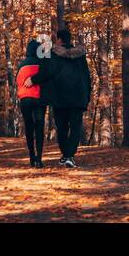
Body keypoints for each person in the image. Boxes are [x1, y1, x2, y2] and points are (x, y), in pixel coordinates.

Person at [32, 27, 90, 167]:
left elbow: (47, 72)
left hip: (60, 97)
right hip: (78, 96)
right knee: (75, 127)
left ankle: (67, 154)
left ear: (59, 39)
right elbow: (87, 76)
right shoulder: (80, 56)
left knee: (62, 127)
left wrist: (33, 80)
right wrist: (87, 95)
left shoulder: (53, 54)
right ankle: (68, 156)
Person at [15, 38, 47, 167]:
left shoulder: (21, 65)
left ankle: (31, 157)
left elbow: (18, 82)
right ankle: (39, 158)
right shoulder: (43, 64)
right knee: (39, 127)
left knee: (29, 127)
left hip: (26, 99)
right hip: (39, 99)